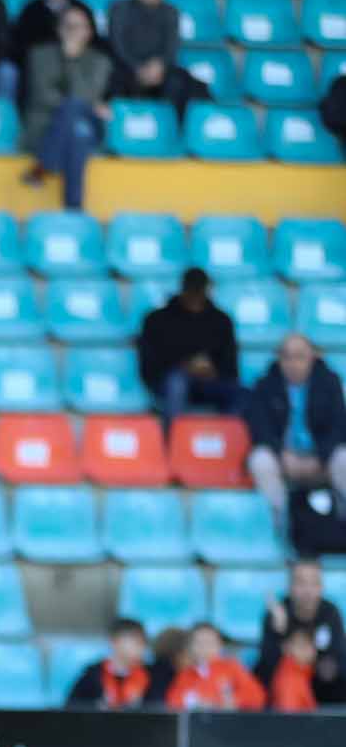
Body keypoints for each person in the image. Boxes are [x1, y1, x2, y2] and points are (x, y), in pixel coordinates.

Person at [243, 334, 346, 521]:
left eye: (299, 356)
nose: (293, 363)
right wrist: (282, 454)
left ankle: (341, 525)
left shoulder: (330, 382)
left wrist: (319, 457)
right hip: (284, 460)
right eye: (287, 357)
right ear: (279, 359)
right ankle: (280, 525)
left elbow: (339, 427)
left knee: (343, 458)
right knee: (260, 460)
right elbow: (260, 428)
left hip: (321, 460)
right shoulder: (265, 384)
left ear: (313, 357)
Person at [20, 2, 111, 211]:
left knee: (74, 110)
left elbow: (87, 95)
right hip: (46, 124)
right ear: (59, 30)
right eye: (69, 26)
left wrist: (71, 60)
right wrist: (76, 105)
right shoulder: (39, 55)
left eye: (79, 27)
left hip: (85, 123)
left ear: (89, 32)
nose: (73, 32)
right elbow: (43, 95)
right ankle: (73, 209)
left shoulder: (100, 61)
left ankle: (43, 166)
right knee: (78, 134)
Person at [137, 269, 240, 425]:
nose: (195, 296)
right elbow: (150, 366)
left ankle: (229, 438)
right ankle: (173, 437)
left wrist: (212, 370)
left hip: (211, 382)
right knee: (176, 383)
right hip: (171, 382)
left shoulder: (221, 321)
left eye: (199, 290)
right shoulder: (157, 320)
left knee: (242, 394)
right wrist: (184, 366)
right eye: (192, 290)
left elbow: (231, 367)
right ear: (183, 289)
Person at [254, 559, 343, 705]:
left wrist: (309, 661)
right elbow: (267, 666)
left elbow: (336, 661)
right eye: (301, 583)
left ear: (321, 586)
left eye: (314, 583)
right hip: (284, 690)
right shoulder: (276, 614)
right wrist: (280, 632)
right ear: (290, 586)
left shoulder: (330, 612)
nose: (308, 590)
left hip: (323, 690)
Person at [162, 623, 264, 712]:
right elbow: (173, 701)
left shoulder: (232, 668)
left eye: (209, 642)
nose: (204, 647)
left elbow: (256, 696)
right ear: (190, 646)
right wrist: (194, 703)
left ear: (219, 644)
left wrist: (231, 701)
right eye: (199, 642)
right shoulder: (186, 674)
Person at [66, 616, 162, 708]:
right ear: (114, 642)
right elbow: (73, 707)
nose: (141, 647)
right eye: (135, 641)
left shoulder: (152, 675)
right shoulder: (93, 674)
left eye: (143, 642)